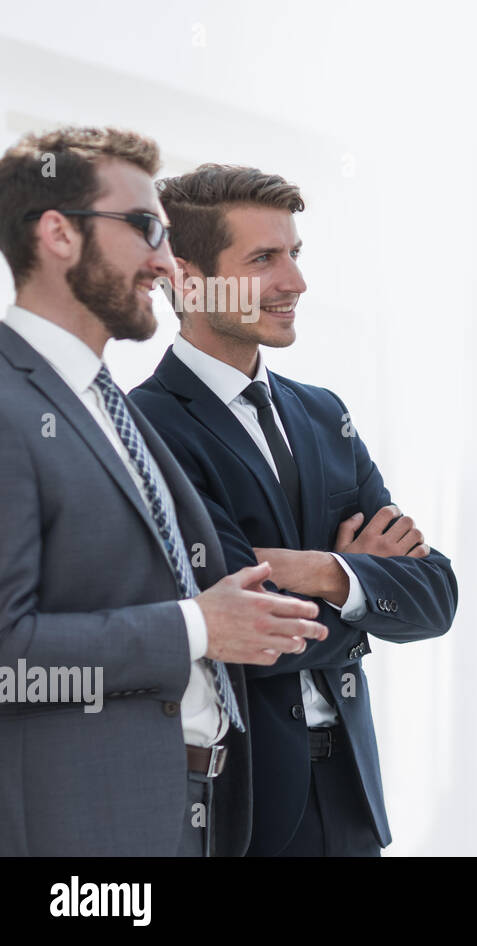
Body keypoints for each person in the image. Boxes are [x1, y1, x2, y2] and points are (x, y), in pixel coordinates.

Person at [0, 127, 326, 856]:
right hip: (86, 835)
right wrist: (198, 628)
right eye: (146, 228)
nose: (163, 260)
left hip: (194, 810)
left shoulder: (103, 400)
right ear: (57, 234)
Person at [129, 164, 459, 856]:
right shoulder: (143, 429)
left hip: (352, 795)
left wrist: (324, 573)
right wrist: (365, 578)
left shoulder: (322, 412)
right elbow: (239, 635)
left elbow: (436, 596)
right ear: (184, 280)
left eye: (295, 255)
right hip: (241, 808)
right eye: (263, 259)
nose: (295, 283)